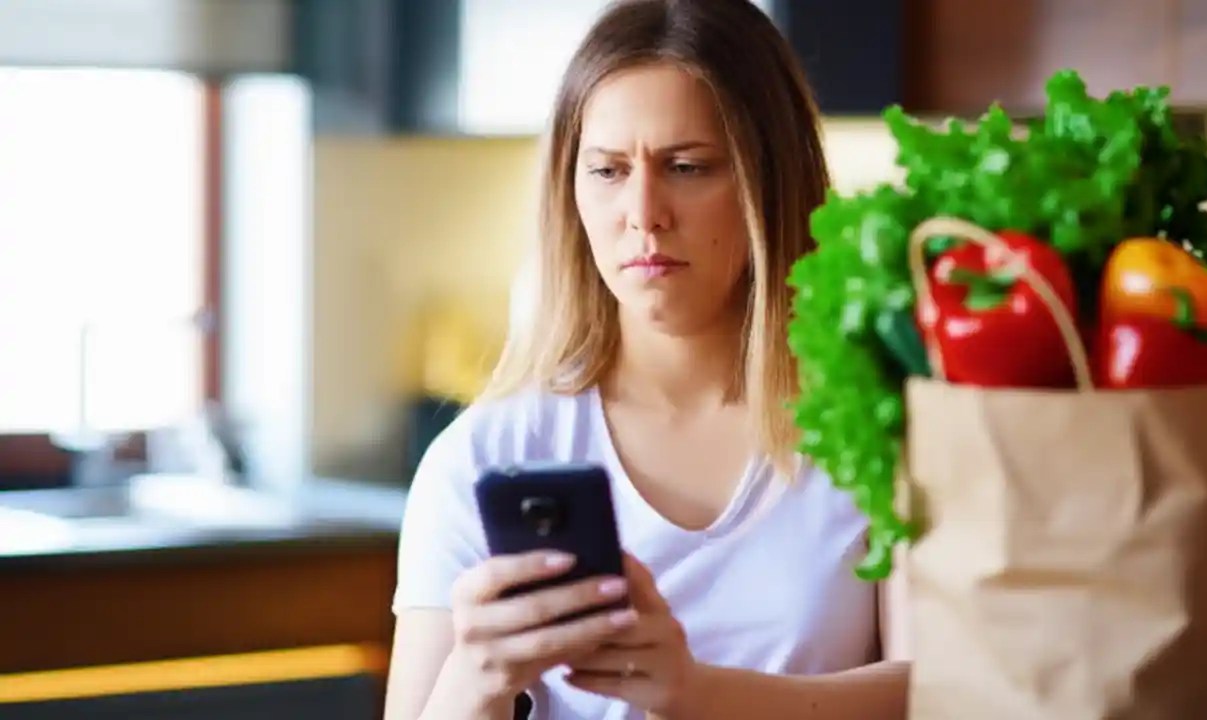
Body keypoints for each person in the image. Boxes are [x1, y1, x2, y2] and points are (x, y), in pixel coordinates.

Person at [384, 1, 910, 718]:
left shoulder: (877, 430)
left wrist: (695, 693)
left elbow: (940, 693)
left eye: (687, 166)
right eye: (606, 171)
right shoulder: (486, 456)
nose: (644, 212)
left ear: (771, 180)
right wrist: (476, 677)